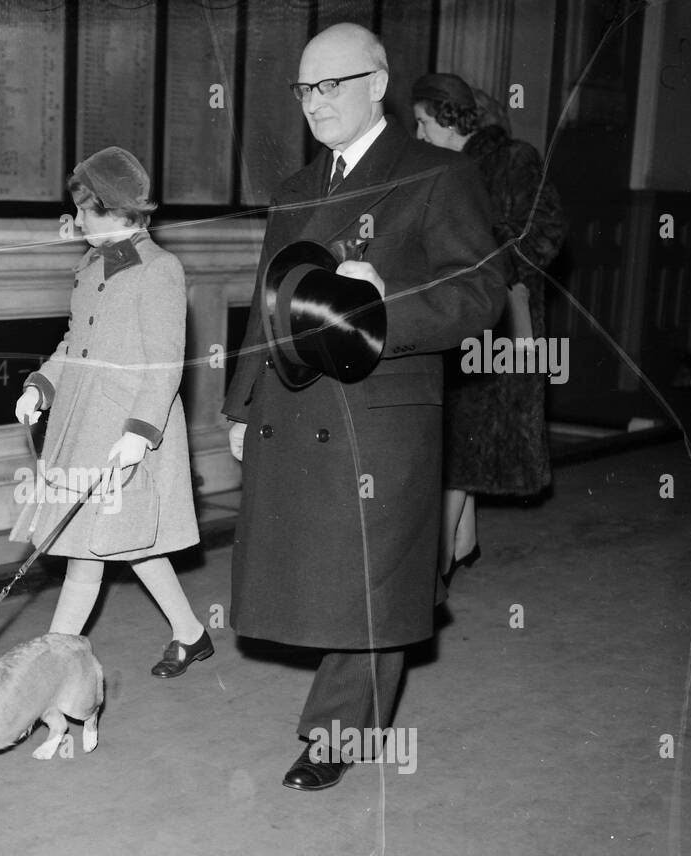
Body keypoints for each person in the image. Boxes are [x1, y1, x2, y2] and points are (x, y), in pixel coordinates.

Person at [223, 24, 507, 790]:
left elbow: (481, 294)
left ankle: (335, 735)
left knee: (373, 580)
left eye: (331, 85)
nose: (315, 103)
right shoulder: (294, 189)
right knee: (313, 573)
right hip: (295, 405)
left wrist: (389, 312)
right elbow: (266, 305)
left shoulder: (435, 175)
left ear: (377, 84)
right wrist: (244, 405)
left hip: (380, 413)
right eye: (304, 89)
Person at [11, 147, 211, 678]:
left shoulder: (160, 271)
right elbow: (74, 343)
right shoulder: (90, 264)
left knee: (89, 548)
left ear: (117, 209)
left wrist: (139, 434)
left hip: (127, 432)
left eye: (84, 210)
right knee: (125, 543)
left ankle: (48, 670)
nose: (75, 221)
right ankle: (191, 634)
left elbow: (166, 365)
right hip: (81, 425)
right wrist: (42, 387)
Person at [412, 73, 568, 584]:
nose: (417, 135)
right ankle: (463, 541)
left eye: (422, 123)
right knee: (462, 440)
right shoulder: (440, 168)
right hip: (456, 318)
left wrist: (484, 255)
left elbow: (545, 231)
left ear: (451, 118)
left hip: (498, 327)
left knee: (459, 443)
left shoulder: (514, 158)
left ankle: (433, 571)